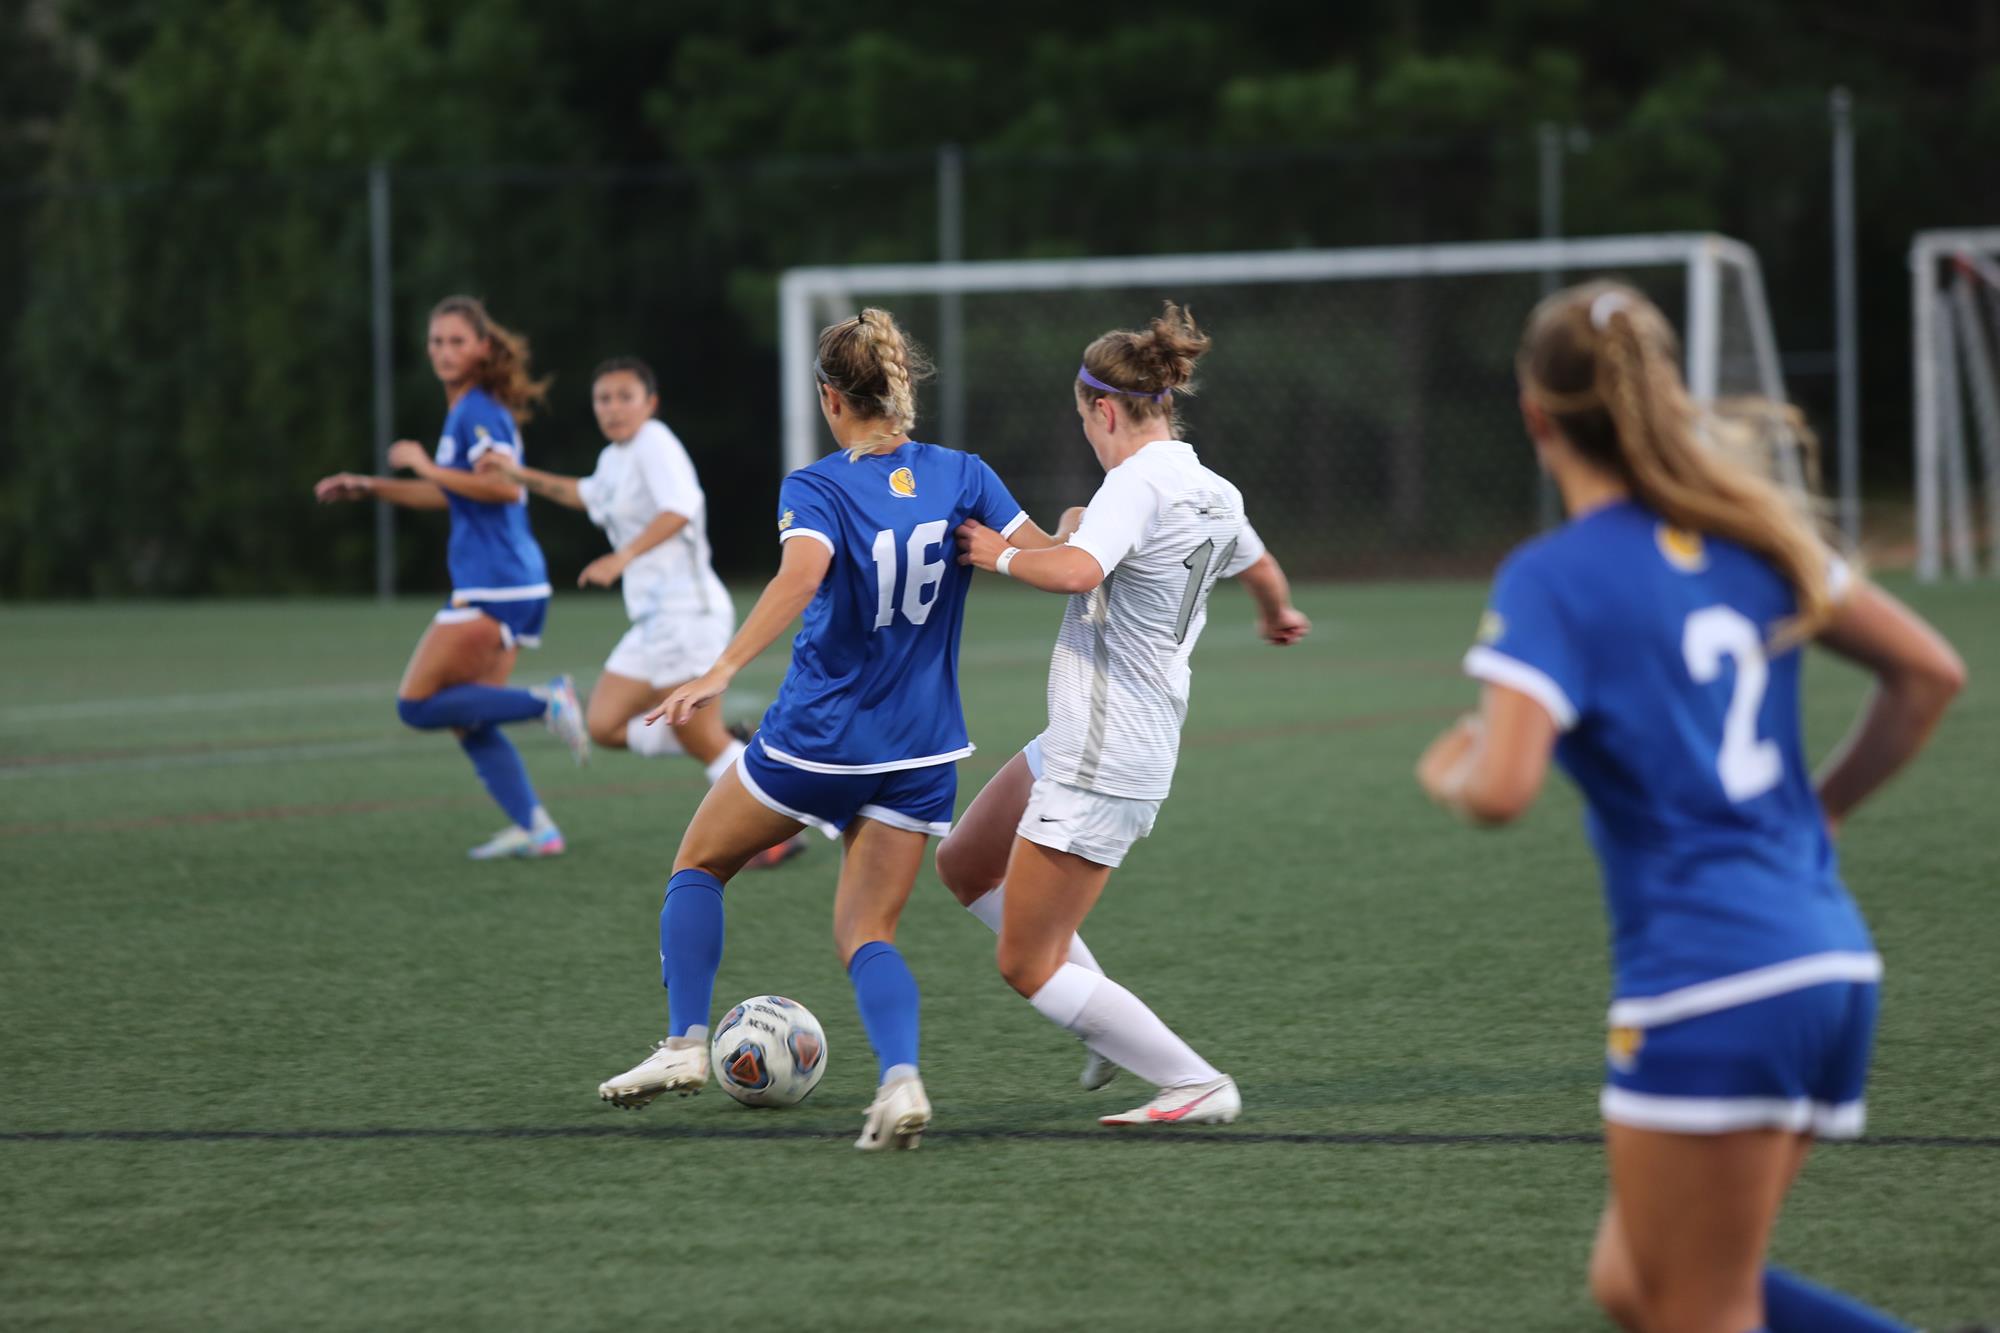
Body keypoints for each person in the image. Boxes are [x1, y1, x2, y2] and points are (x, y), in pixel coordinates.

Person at [1415, 282, 1964, 1333]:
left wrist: (1450, 765)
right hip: (1829, 963)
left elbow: (1498, 788)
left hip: (1712, 985)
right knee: (1638, 1283)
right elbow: (1928, 675)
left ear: (1535, 416)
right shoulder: (1750, 531)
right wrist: (1824, 807)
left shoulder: (1553, 576)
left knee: (1696, 1310)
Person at [595, 308, 1061, 1150]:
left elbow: (801, 574)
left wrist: (721, 669)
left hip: (820, 738)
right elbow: (1052, 560)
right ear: (903, 386)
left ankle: (683, 1046)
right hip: (924, 750)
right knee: (866, 932)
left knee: (700, 861)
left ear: (829, 398)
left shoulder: (815, 485)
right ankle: (901, 1079)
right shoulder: (965, 473)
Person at [953, 302, 1306, 1127]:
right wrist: (1275, 613)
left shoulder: (1136, 481)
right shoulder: (1211, 486)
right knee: (968, 863)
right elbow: (1257, 564)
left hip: (1104, 752)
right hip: (1092, 734)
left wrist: (998, 553)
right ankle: (1095, 1012)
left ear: (1103, 409)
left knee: (1025, 961)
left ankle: (1193, 1081)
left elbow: (1078, 573)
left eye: (1084, 420)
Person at [478, 356, 806, 869]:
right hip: (652, 622)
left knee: (695, 736)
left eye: (624, 396)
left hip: (687, 613)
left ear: (649, 403)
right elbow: (581, 492)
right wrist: (514, 472)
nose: (612, 407)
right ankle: (736, 747)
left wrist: (623, 556)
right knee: (604, 723)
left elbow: (680, 508)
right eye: (603, 398)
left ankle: (773, 830)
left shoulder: (655, 443)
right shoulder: (614, 458)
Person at [315, 295, 590, 859]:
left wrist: (420, 463)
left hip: (496, 585)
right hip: (510, 582)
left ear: (483, 347)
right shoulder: (468, 408)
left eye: (457, 340)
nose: (444, 351)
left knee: (416, 705)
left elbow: (503, 486)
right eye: (437, 341)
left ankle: (547, 702)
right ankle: (537, 829)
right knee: (468, 715)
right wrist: (372, 486)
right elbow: (449, 492)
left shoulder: (477, 411)